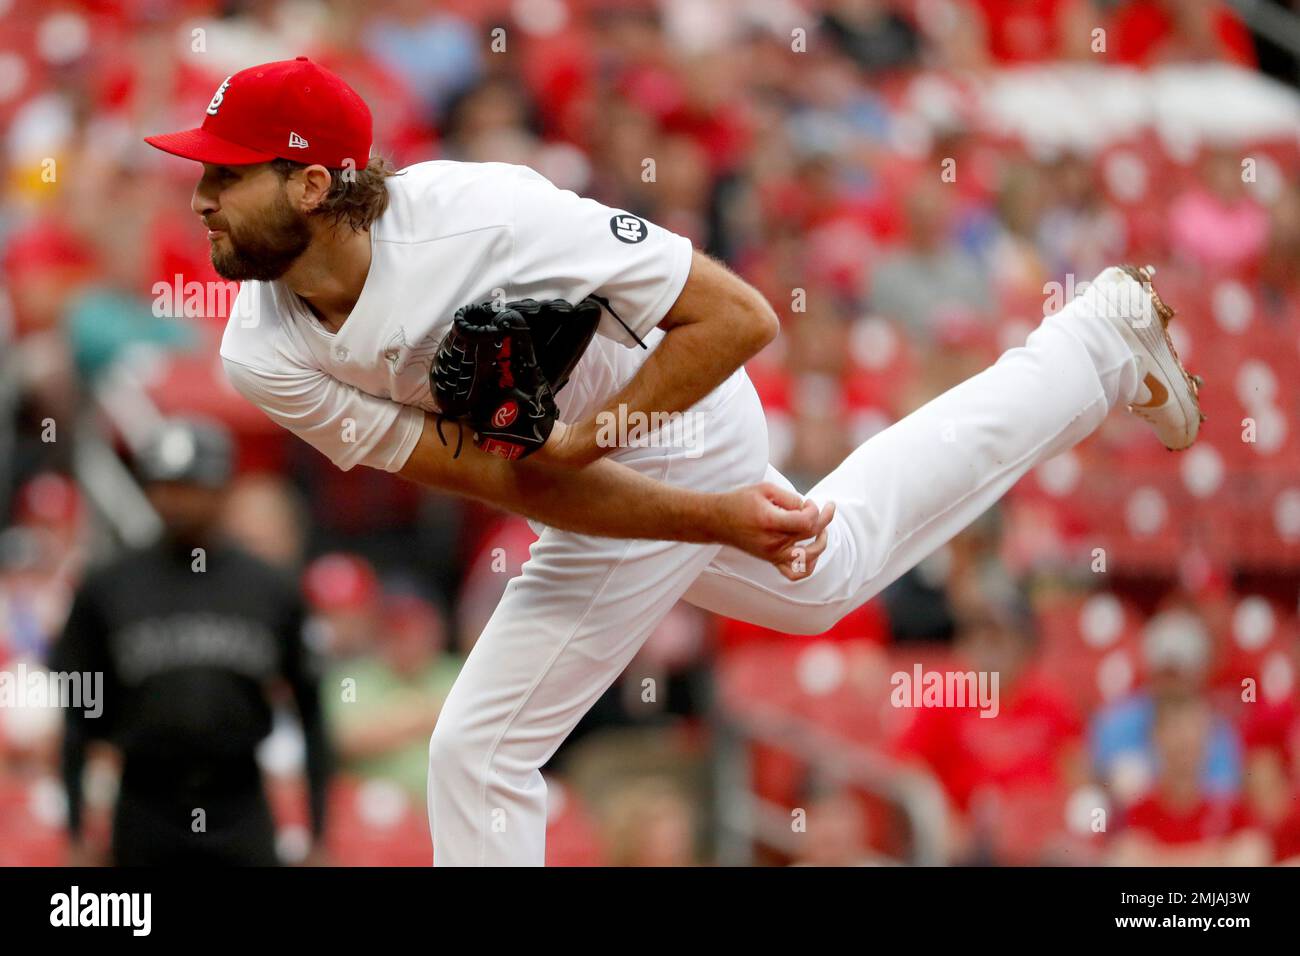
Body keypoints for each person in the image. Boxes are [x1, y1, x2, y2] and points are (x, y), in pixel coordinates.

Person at [144, 58, 1202, 866]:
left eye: (225, 173)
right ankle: (1094, 349)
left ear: (312, 184)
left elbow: (739, 317)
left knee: (479, 749)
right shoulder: (260, 350)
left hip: (676, 419)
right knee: (823, 575)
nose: (200, 196)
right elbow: (498, 478)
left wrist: (612, 452)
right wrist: (691, 513)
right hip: (570, 473)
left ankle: (1093, 347)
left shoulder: (488, 219)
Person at [51, 419, 331, 866]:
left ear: (222, 490)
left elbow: (312, 710)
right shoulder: (109, 585)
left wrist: (319, 834)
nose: (174, 500)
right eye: (163, 485)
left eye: (189, 486)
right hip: (146, 802)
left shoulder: (268, 587)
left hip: (239, 801)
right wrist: (75, 831)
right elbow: (76, 717)